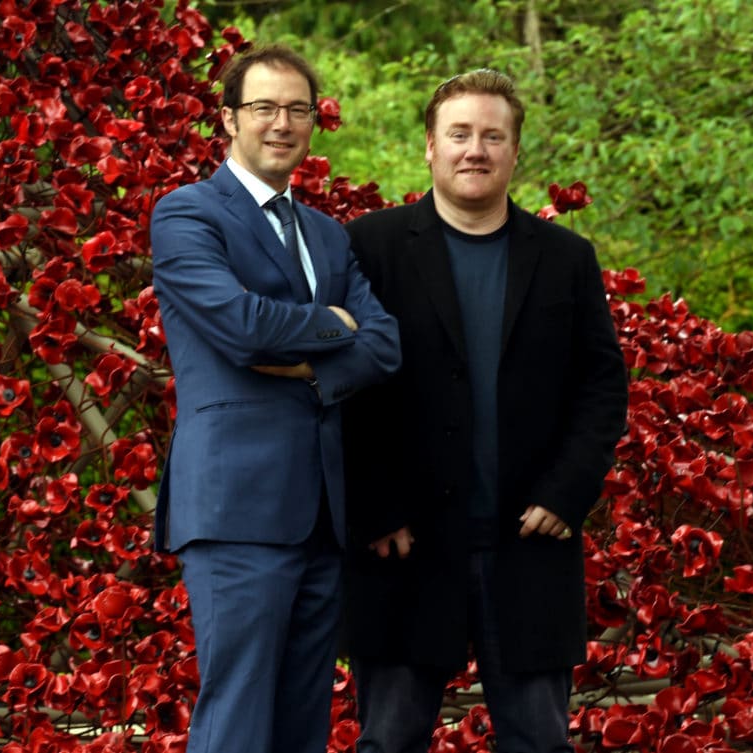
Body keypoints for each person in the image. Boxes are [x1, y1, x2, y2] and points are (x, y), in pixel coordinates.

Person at [340, 69, 629, 753]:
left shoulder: (565, 259)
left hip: (527, 547)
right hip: (404, 546)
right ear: (430, 148)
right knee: (388, 740)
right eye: (460, 134)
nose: (476, 149)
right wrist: (376, 506)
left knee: (538, 741)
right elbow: (343, 381)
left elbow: (602, 386)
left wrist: (567, 491)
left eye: (492, 136)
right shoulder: (369, 247)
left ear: (514, 152)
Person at [149, 45, 401, 753]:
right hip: (237, 509)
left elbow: (384, 344)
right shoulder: (187, 214)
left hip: (322, 512)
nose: (282, 123)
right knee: (236, 721)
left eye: (297, 109)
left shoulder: (325, 233)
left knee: (302, 727)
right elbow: (241, 326)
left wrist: (318, 371)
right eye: (264, 107)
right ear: (229, 119)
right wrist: (334, 326)